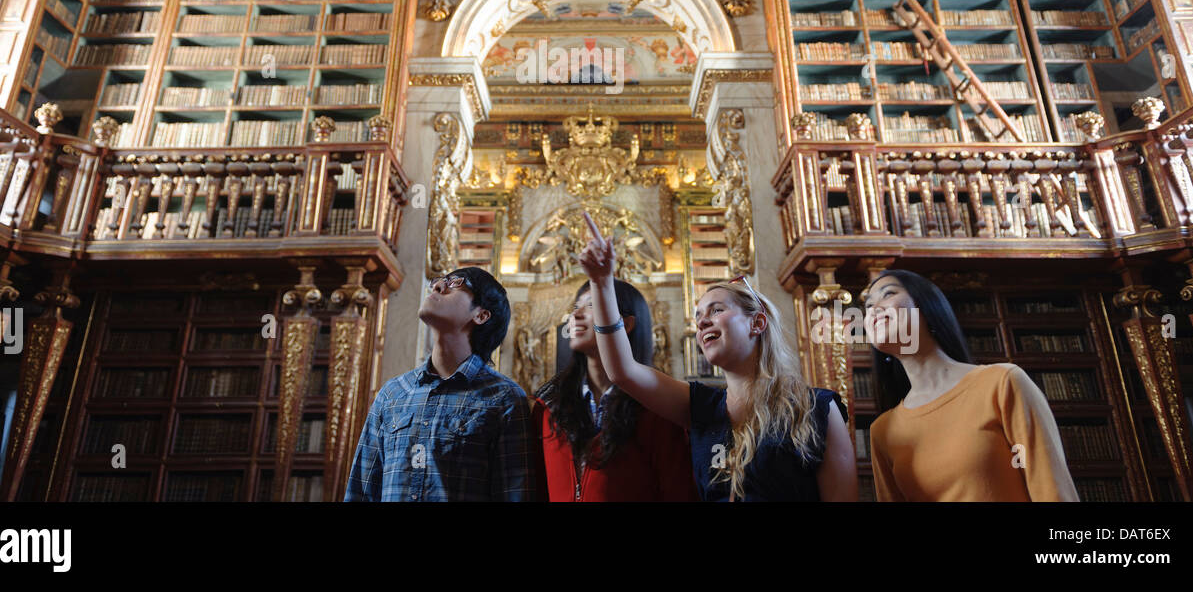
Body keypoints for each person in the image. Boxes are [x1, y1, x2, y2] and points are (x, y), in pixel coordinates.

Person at [579, 212, 856, 501]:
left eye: (716, 310)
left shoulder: (816, 409)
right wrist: (602, 284)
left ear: (757, 323)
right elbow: (622, 371)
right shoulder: (701, 407)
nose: (702, 322)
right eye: (698, 316)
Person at [863, 269, 1079, 501]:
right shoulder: (883, 431)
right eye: (867, 306)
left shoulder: (1002, 383)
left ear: (926, 307)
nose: (874, 309)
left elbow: (1051, 491)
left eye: (888, 294)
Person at [344, 266, 535, 501]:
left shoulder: (504, 398)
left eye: (456, 283)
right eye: (439, 281)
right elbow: (361, 493)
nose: (437, 286)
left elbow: (515, 495)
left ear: (481, 315)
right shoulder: (392, 394)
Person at [531, 279, 698, 501]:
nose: (575, 315)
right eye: (574, 308)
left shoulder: (658, 409)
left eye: (591, 305)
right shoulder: (549, 406)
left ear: (625, 324)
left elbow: (678, 493)